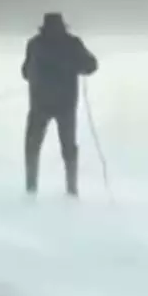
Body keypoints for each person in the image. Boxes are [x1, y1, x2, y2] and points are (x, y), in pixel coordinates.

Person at [21, 12, 98, 196]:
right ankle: (71, 189)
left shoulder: (35, 44)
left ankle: (31, 187)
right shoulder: (72, 44)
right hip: (66, 104)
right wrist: (76, 65)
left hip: (39, 103)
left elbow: (25, 72)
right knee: (69, 147)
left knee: (32, 146)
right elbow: (91, 65)